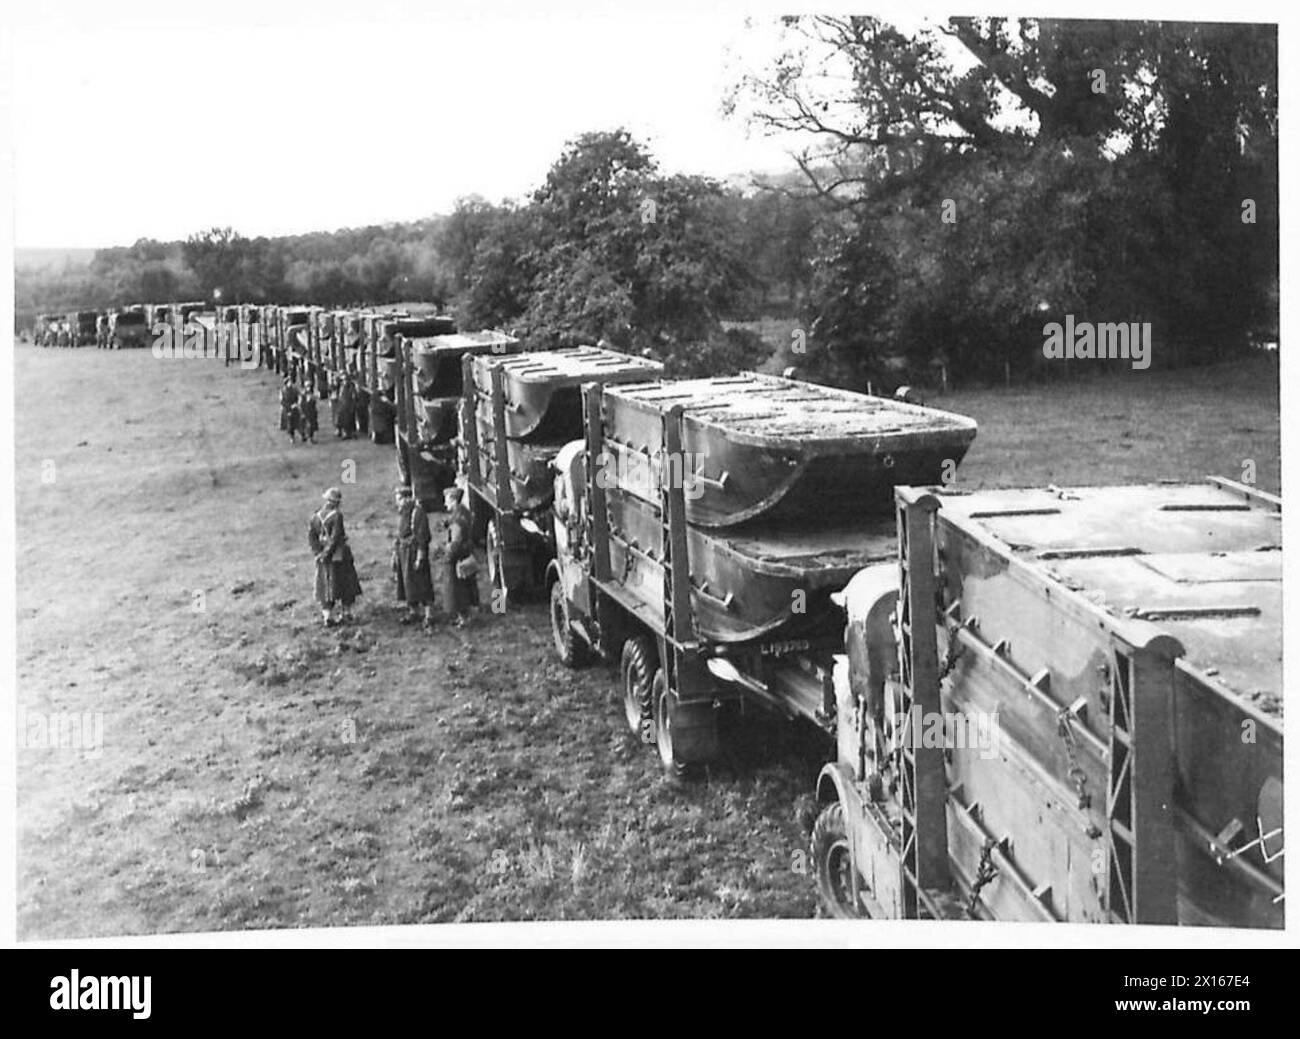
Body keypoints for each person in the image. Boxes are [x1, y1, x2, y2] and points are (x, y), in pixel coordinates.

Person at [309, 487, 363, 626]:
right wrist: (328, 553)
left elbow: (312, 537)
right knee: (347, 585)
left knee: (325, 586)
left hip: (322, 557)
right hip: (339, 555)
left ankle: (327, 616)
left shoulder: (315, 516)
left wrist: (319, 553)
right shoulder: (337, 516)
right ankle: (346, 613)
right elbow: (336, 537)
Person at [392, 485, 435, 629]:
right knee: (407, 583)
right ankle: (413, 611)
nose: (398, 502)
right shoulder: (403, 513)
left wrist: (420, 556)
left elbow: (423, 537)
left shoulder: (418, 512)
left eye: (399, 499)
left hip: (414, 552)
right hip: (403, 552)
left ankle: (429, 615)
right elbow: (399, 534)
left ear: (407, 498)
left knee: (422, 583)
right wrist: (395, 553)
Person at [439, 486, 480, 627]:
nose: (445, 504)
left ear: (454, 500)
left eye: (447, 501)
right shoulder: (464, 513)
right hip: (466, 555)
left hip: (458, 559)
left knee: (458, 591)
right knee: (469, 586)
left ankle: (464, 617)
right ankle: (495, 608)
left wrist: (447, 556)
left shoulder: (457, 520)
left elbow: (455, 542)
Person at [335, 376, 358, 440]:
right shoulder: (342, 387)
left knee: (350, 420)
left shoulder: (351, 387)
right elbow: (340, 395)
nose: (344, 381)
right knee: (343, 420)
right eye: (343, 380)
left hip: (349, 406)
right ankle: (345, 433)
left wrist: (353, 406)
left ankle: (352, 433)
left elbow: (354, 397)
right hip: (343, 406)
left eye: (345, 380)